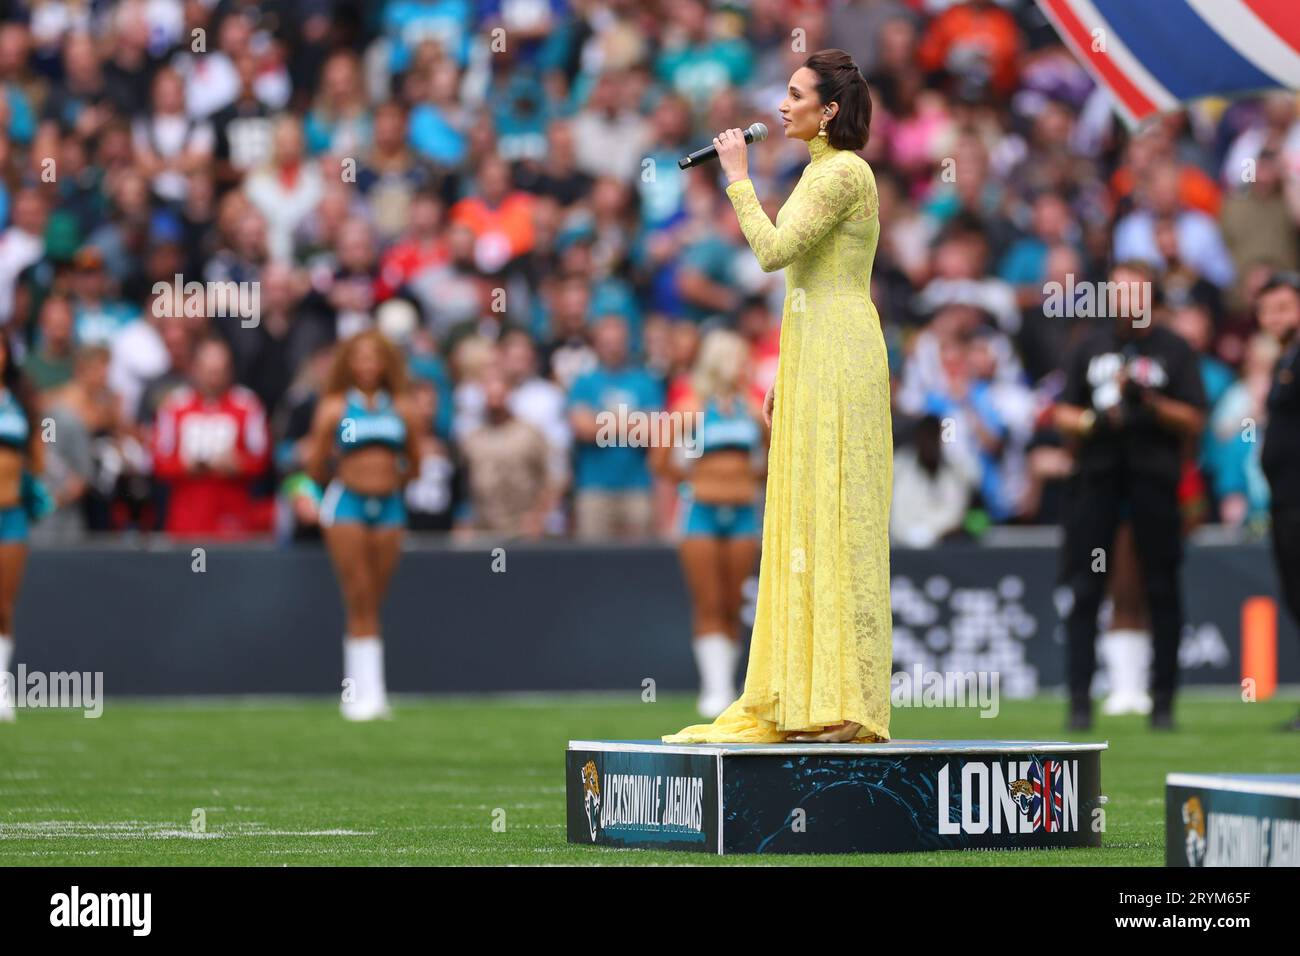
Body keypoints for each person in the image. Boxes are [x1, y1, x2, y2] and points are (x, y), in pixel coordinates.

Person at [664, 50, 891, 744]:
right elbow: (802, 289)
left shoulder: (844, 172)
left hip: (842, 357)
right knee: (806, 525)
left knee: (840, 521)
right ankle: (807, 697)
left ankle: (850, 703)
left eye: (796, 95)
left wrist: (737, 179)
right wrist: (786, 374)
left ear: (829, 112)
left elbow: (772, 254)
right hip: (813, 356)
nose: (782, 105)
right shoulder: (820, 172)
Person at [1054, 262, 1207, 731]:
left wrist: (1151, 403)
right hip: (1098, 480)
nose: (1126, 301)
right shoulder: (1090, 346)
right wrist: (1089, 422)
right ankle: (1080, 702)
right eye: (1118, 292)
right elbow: (1060, 409)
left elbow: (1195, 419)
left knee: (1161, 588)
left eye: (1135, 291)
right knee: (1087, 590)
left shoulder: (1174, 350)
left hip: (1153, 481)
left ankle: (1163, 703)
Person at [305, 330, 421, 721]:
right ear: (348, 364)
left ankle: (375, 693)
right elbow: (315, 462)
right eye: (360, 358)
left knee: (376, 596)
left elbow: (416, 460)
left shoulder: (403, 407)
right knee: (357, 594)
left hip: (389, 507)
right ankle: (357, 694)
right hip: (348, 504)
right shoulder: (334, 407)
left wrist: (391, 482)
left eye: (375, 358)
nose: (368, 366)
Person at [651, 330, 766, 718]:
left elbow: (772, 457)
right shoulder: (691, 407)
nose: (745, 367)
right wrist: (691, 484)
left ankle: (729, 686)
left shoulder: (753, 408)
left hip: (742, 515)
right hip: (700, 513)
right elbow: (660, 459)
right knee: (709, 601)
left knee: (734, 602)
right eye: (738, 359)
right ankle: (713, 687)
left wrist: (750, 480)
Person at [1256, 272, 1300, 731]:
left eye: (1285, 306)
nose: (1275, 318)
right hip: (1285, 502)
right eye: (1268, 309)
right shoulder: (1284, 359)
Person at [0, 334, 47, 721]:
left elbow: (38, 457)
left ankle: (0, 687)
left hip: (10, 512)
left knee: (3, 604)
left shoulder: (20, 402)